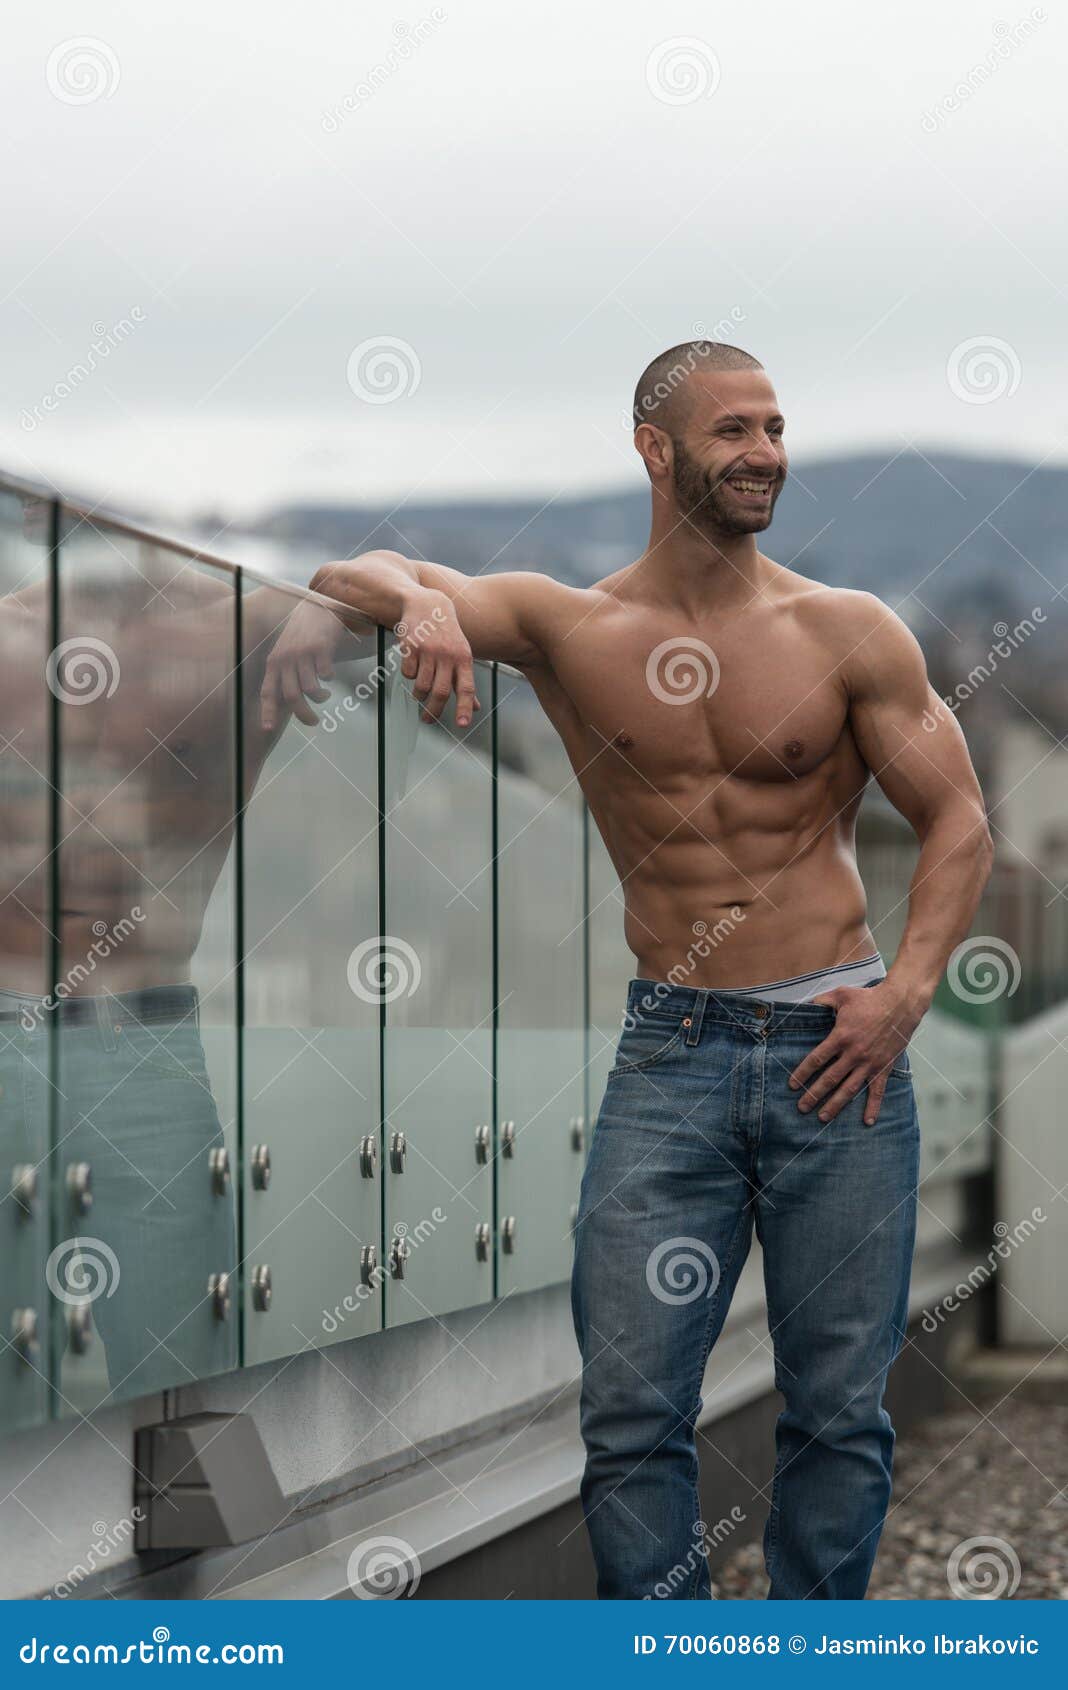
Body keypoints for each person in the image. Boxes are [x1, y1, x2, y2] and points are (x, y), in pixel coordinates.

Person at [263, 341, 993, 1599]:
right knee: (631, 1409)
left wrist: (904, 998)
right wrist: (423, 605)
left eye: (775, 428)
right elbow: (352, 573)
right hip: (674, 1055)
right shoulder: (570, 624)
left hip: (838, 1044)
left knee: (838, 1409)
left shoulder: (846, 630)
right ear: (656, 451)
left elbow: (964, 822)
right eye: (733, 433)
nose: (765, 454)